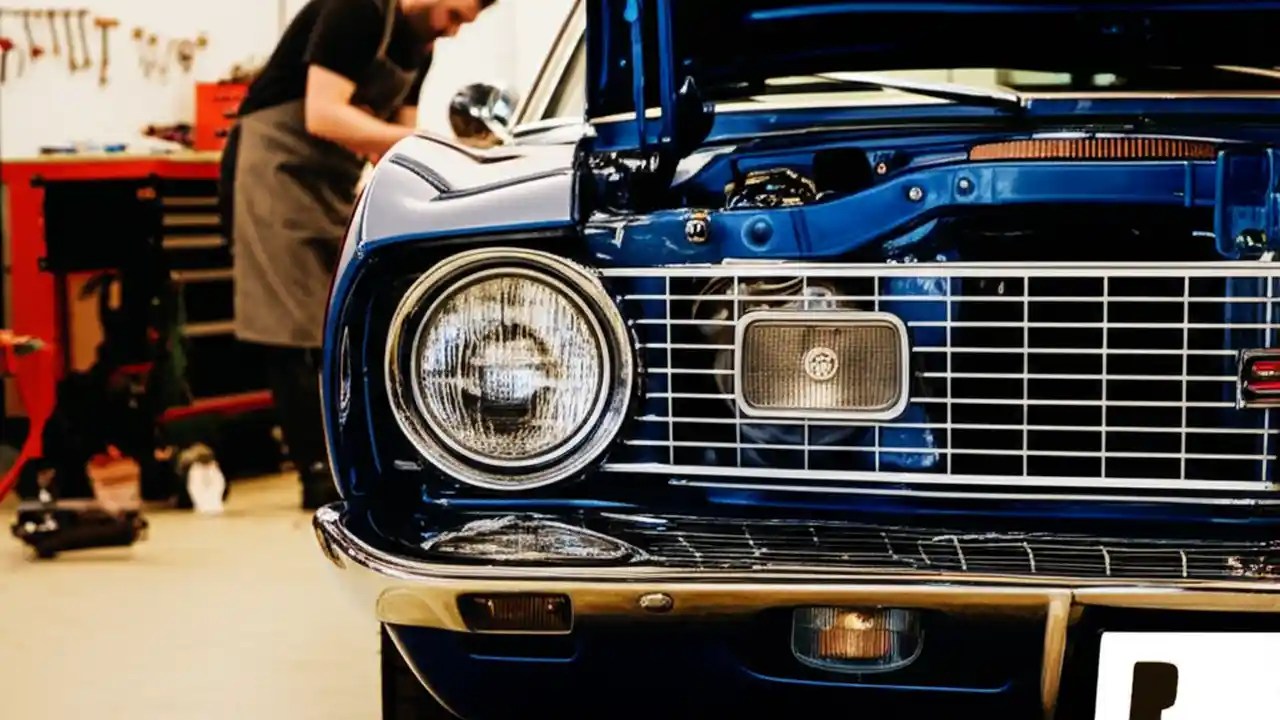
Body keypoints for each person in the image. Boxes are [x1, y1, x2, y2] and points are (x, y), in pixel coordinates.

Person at [219, 0, 496, 509]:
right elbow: (322, 114)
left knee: (344, 318)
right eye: (456, 16)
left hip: (328, 180)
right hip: (273, 167)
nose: (454, 32)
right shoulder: (358, 10)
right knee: (288, 325)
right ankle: (316, 473)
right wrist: (431, 142)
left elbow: (390, 143)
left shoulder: (417, 49)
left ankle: (360, 457)